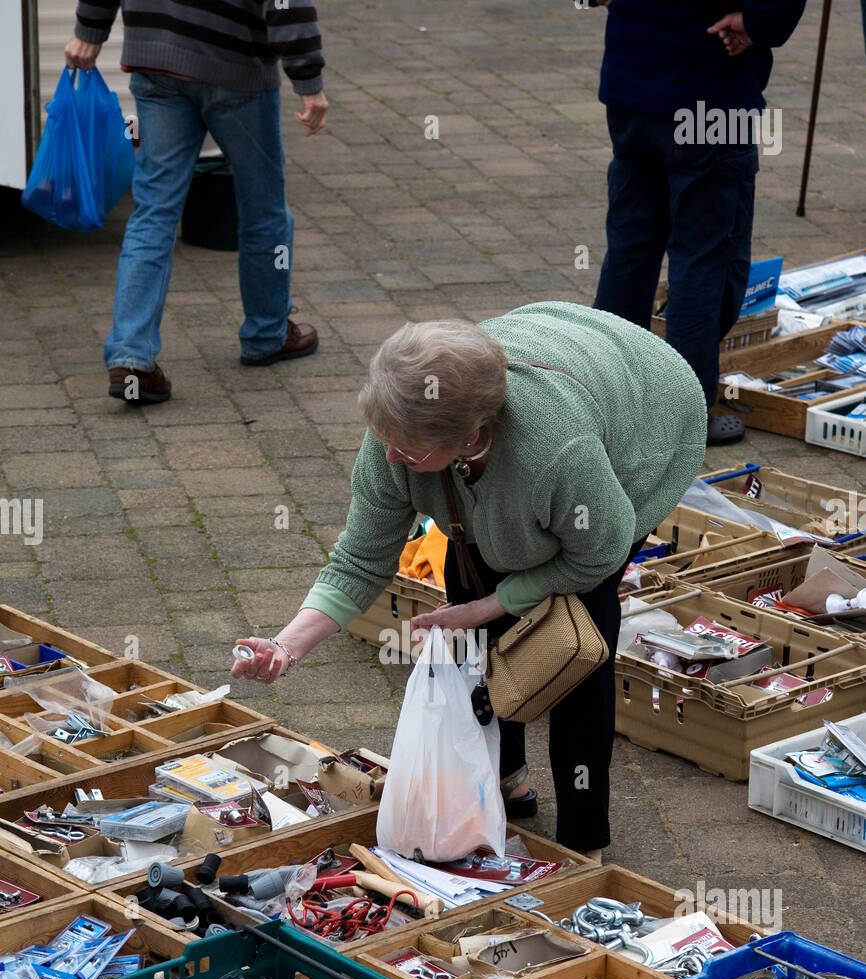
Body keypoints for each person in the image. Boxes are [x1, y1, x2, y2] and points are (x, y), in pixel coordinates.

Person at [231, 302, 707, 861]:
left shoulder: (558, 451)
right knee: (467, 615)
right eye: (384, 439)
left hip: (646, 413)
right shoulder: (402, 429)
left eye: (406, 451)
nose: (389, 455)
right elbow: (360, 558)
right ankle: (506, 780)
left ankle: (584, 841)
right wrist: (286, 646)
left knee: (575, 649)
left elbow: (597, 554)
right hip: (542, 378)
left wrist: (495, 604)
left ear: (469, 436)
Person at [65, 0, 327, 405]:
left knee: (153, 213)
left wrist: (89, 30)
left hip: (156, 62)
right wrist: (308, 80)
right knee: (264, 210)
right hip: (235, 73)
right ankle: (266, 334)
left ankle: (131, 356)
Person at [590, 2, 806, 445]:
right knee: (704, 255)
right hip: (707, 85)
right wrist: (760, 23)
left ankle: (604, 394)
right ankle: (683, 411)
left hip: (635, 78)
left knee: (633, 245)